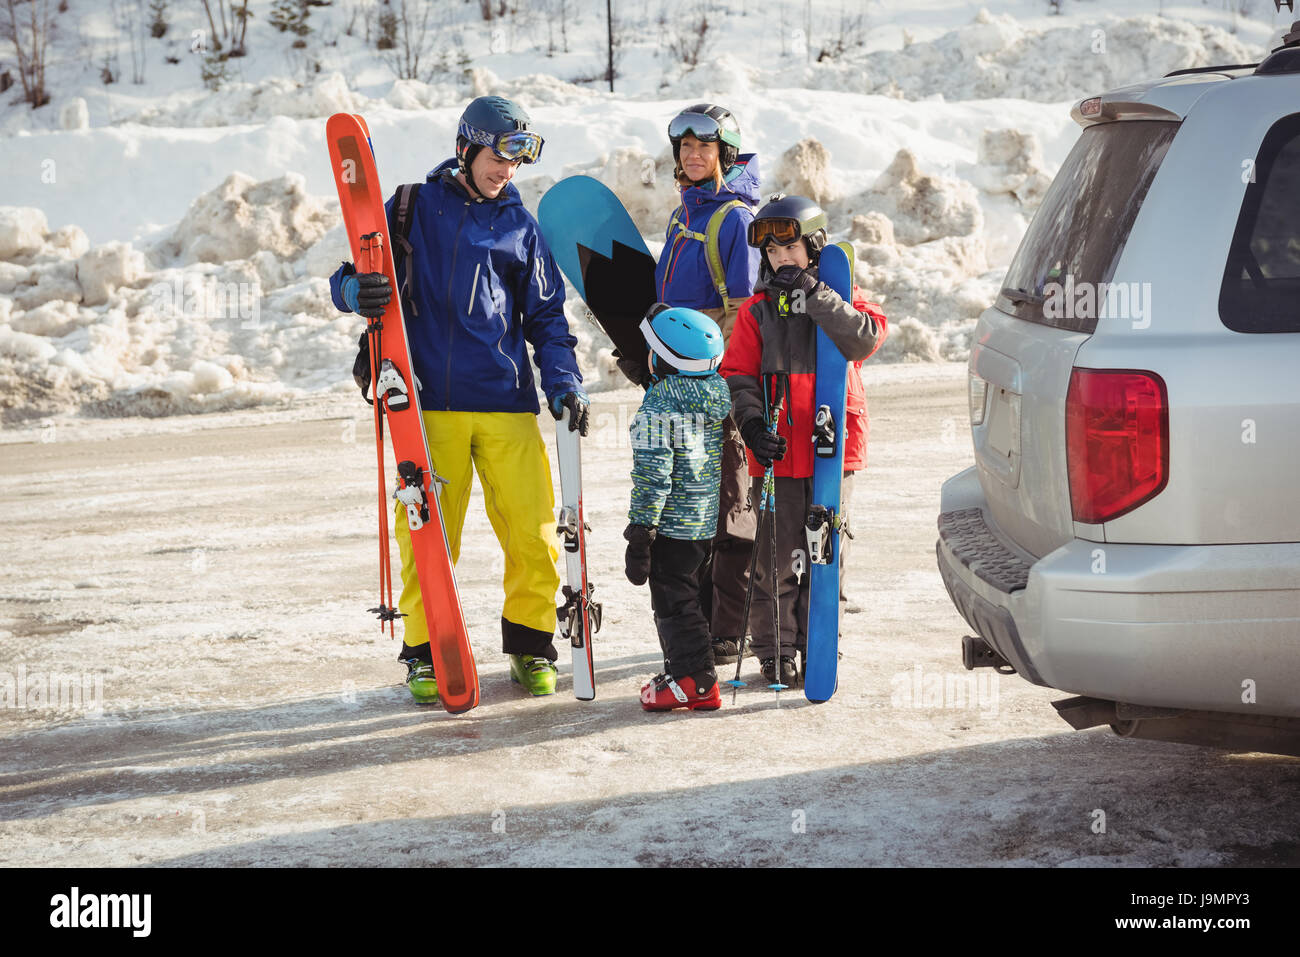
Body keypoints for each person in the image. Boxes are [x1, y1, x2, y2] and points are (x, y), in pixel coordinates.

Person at [330, 95, 589, 703]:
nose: (506, 171)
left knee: (533, 533)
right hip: (426, 407)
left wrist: (564, 382)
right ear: (467, 148)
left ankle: (530, 645)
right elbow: (350, 273)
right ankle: (424, 652)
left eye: (515, 161)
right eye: (498, 157)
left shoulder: (521, 228)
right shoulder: (410, 209)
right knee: (428, 537)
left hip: (506, 402)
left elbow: (548, 318)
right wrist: (352, 290)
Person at [719, 195, 888, 686]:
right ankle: (775, 649)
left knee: (824, 550)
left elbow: (862, 339)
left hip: (833, 450)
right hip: (776, 450)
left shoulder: (848, 298)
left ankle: (819, 643)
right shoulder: (756, 312)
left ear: (813, 247)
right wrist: (750, 425)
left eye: (789, 247)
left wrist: (817, 294)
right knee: (775, 557)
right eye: (771, 252)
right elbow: (737, 374)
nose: (780, 259)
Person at [617, 103, 762, 671]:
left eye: (705, 147)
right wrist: (655, 359)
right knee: (685, 502)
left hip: (714, 385)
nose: (693, 155)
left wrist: (699, 375)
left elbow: (743, 315)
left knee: (727, 503)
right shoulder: (686, 214)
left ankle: (729, 628)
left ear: (725, 153)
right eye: (684, 147)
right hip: (678, 376)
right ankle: (698, 619)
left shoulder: (734, 220)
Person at [623, 304, 732, 712]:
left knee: (674, 605)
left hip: (670, 527)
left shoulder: (657, 410)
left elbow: (654, 477)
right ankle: (683, 669)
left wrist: (641, 531)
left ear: (659, 359)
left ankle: (697, 681)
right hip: (704, 524)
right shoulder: (714, 395)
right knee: (692, 599)